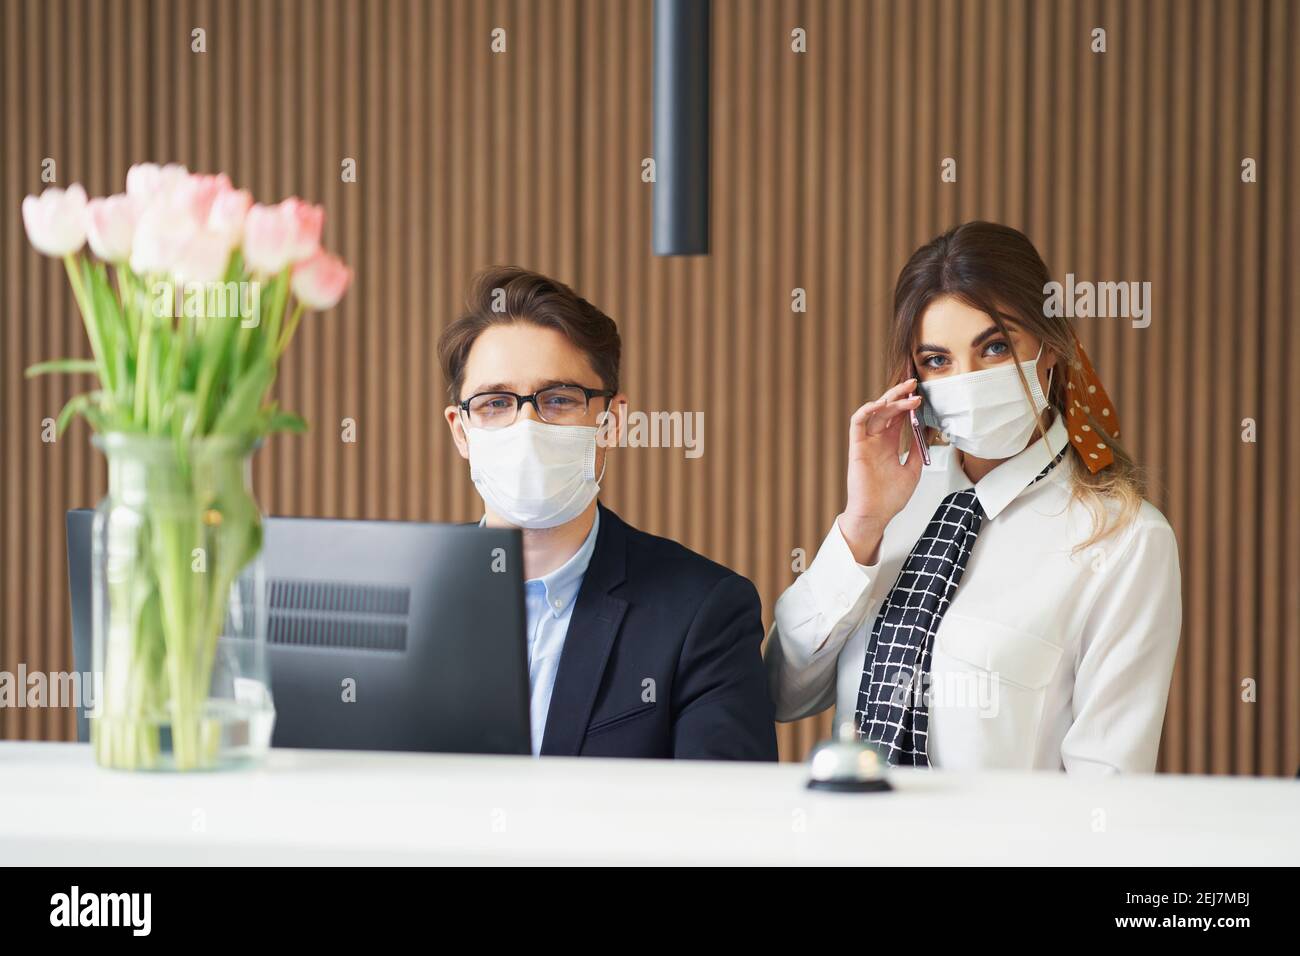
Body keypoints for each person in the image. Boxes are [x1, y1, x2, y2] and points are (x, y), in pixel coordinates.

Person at [765, 221, 1181, 773]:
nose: (968, 378)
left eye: (995, 347)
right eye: (938, 360)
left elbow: (1106, 790)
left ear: (1050, 347)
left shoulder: (1125, 541)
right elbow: (781, 691)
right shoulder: (896, 498)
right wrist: (861, 526)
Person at [439, 265, 777, 761]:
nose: (526, 426)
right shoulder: (405, 597)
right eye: (496, 403)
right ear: (461, 431)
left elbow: (721, 825)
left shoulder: (702, 614)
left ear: (611, 422)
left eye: (558, 400)